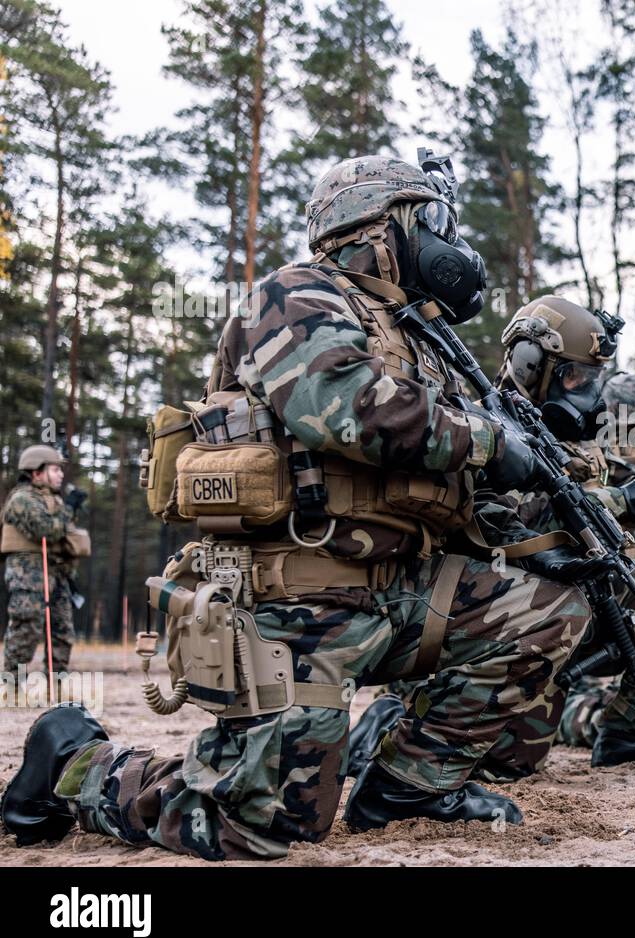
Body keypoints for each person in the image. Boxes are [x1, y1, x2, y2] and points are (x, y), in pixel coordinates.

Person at [1, 154, 592, 860]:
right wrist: (490, 440)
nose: (442, 239)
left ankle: (410, 785)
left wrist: (520, 505)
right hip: (294, 599)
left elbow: (448, 480)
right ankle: (73, 761)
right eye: (426, 219)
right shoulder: (294, 297)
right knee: (261, 824)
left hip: (398, 591)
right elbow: (345, 407)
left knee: (548, 607)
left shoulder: (417, 338)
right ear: (378, 224)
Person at [495, 300, 635, 767]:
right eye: (576, 376)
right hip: (504, 600)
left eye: (593, 379)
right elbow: (505, 521)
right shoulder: (487, 424)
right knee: (513, 759)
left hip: (575, 591)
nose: (587, 392)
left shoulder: (570, 437)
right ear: (530, 365)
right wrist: (625, 502)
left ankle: (629, 732)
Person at [1, 445, 87, 677]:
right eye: (54, 469)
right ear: (37, 473)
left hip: (57, 572)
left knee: (62, 630)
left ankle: (57, 682)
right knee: (26, 627)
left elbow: (64, 533)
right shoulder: (22, 499)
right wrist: (69, 507)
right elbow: (46, 530)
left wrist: (69, 509)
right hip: (29, 572)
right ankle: (12, 683)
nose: (60, 474)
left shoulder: (53, 501)